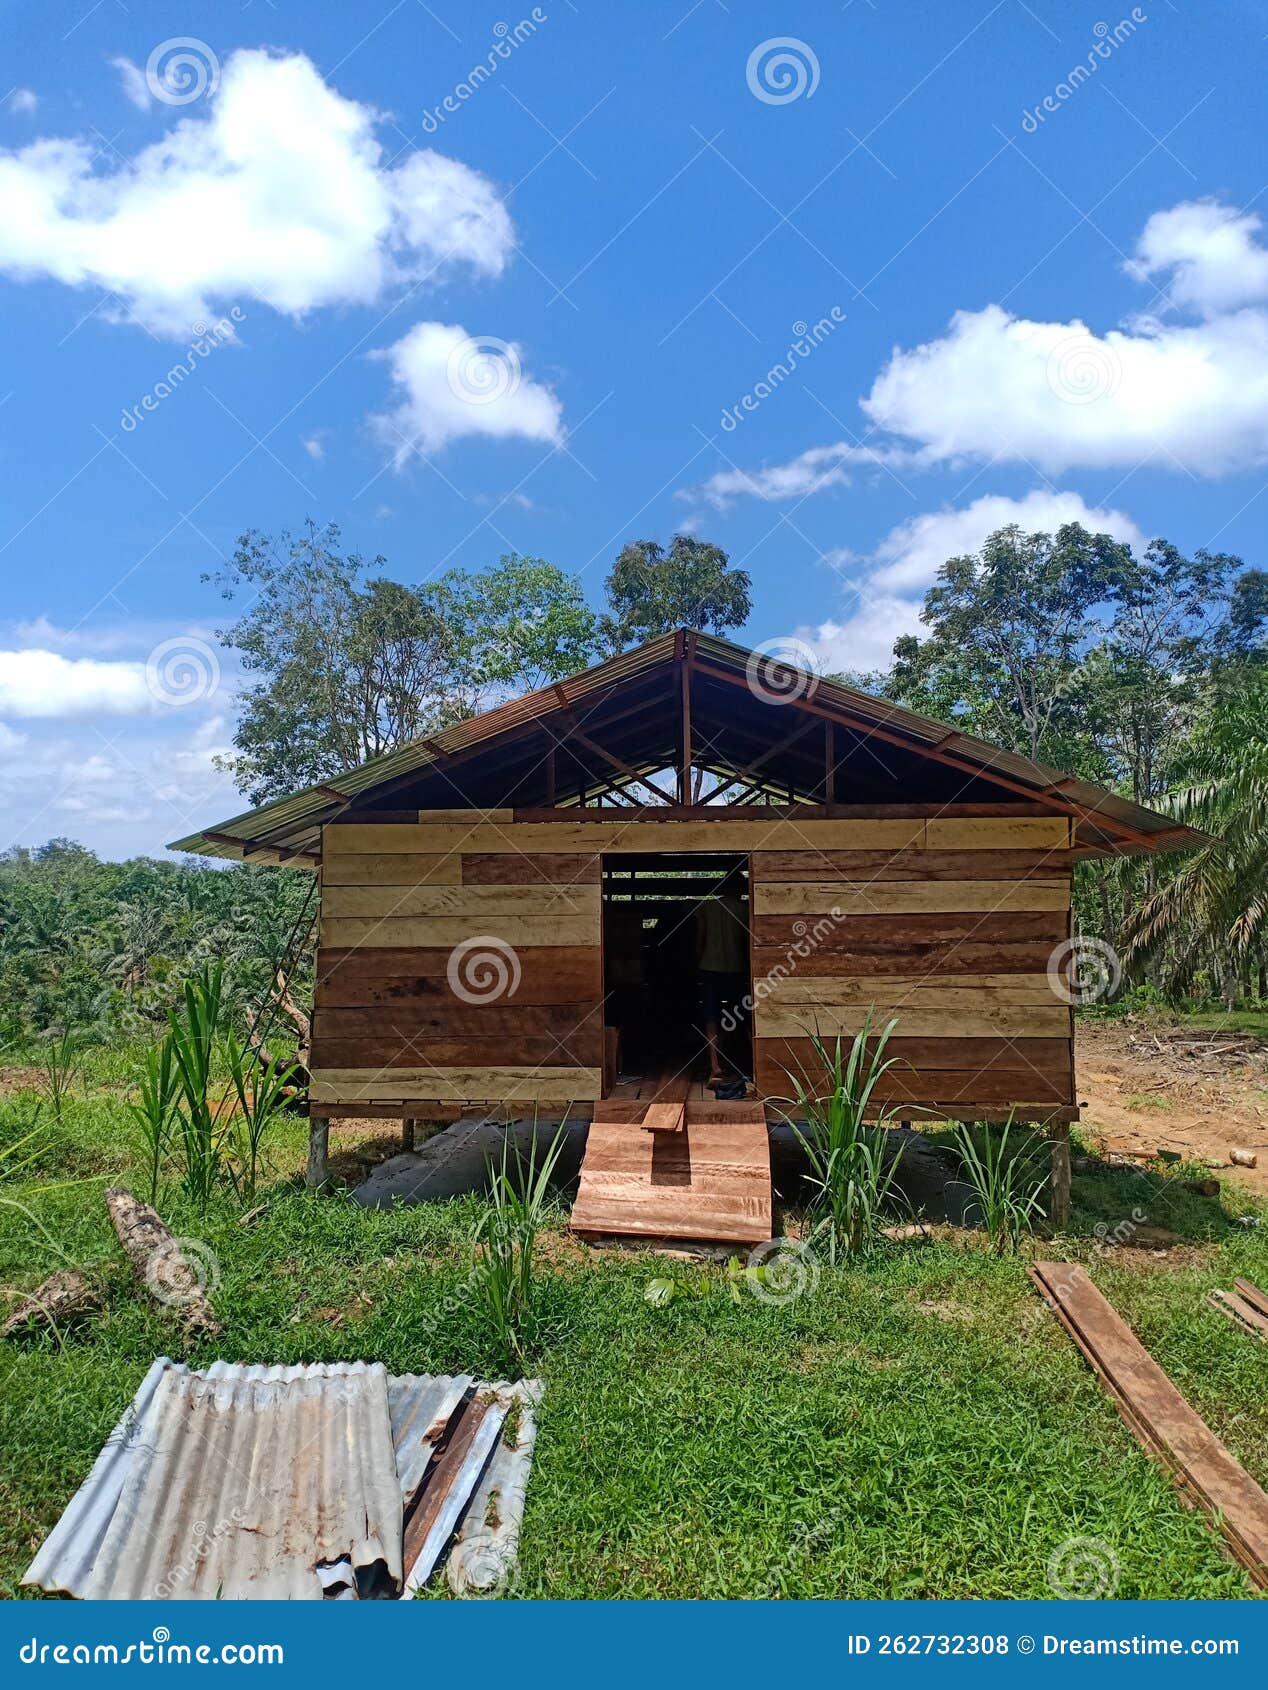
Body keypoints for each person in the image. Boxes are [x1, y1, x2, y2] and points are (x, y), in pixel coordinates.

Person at [694, 869, 748, 1085]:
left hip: (709, 968)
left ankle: (715, 1066)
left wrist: (696, 964)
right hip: (736, 969)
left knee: (710, 1018)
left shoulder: (707, 907)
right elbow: (747, 944)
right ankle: (736, 1061)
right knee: (737, 1017)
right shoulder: (744, 911)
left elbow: (700, 940)